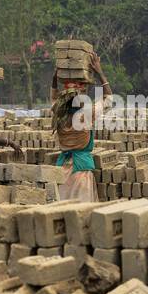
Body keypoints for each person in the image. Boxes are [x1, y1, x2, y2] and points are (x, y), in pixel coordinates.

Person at [51, 51, 112, 202]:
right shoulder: (86, 115)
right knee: (82, 215)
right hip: (81, 171)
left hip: (62, 171)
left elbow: (53, 98)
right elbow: (109, 98)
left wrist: (54, 79)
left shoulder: (58, 115)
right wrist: (99, 72)